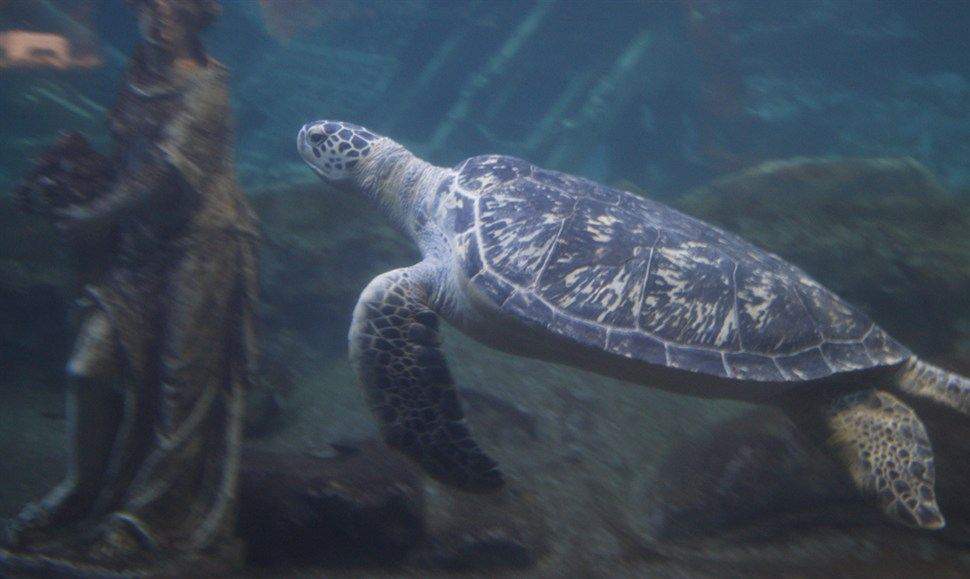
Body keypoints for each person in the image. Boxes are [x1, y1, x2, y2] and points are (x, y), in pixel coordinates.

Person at [3, 0, 258, 573]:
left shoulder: (206, 91)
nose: (158, 17)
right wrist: (72, 176)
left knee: (178, 392)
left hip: (203, 250)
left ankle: (143, 521)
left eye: (172, 9)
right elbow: (127, 158)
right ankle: (79, 489)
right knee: (88, 367)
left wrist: (97, 215)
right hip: (141, 251)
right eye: (150, 5)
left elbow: (165, 177)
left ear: (196, 17)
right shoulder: (139, 74)